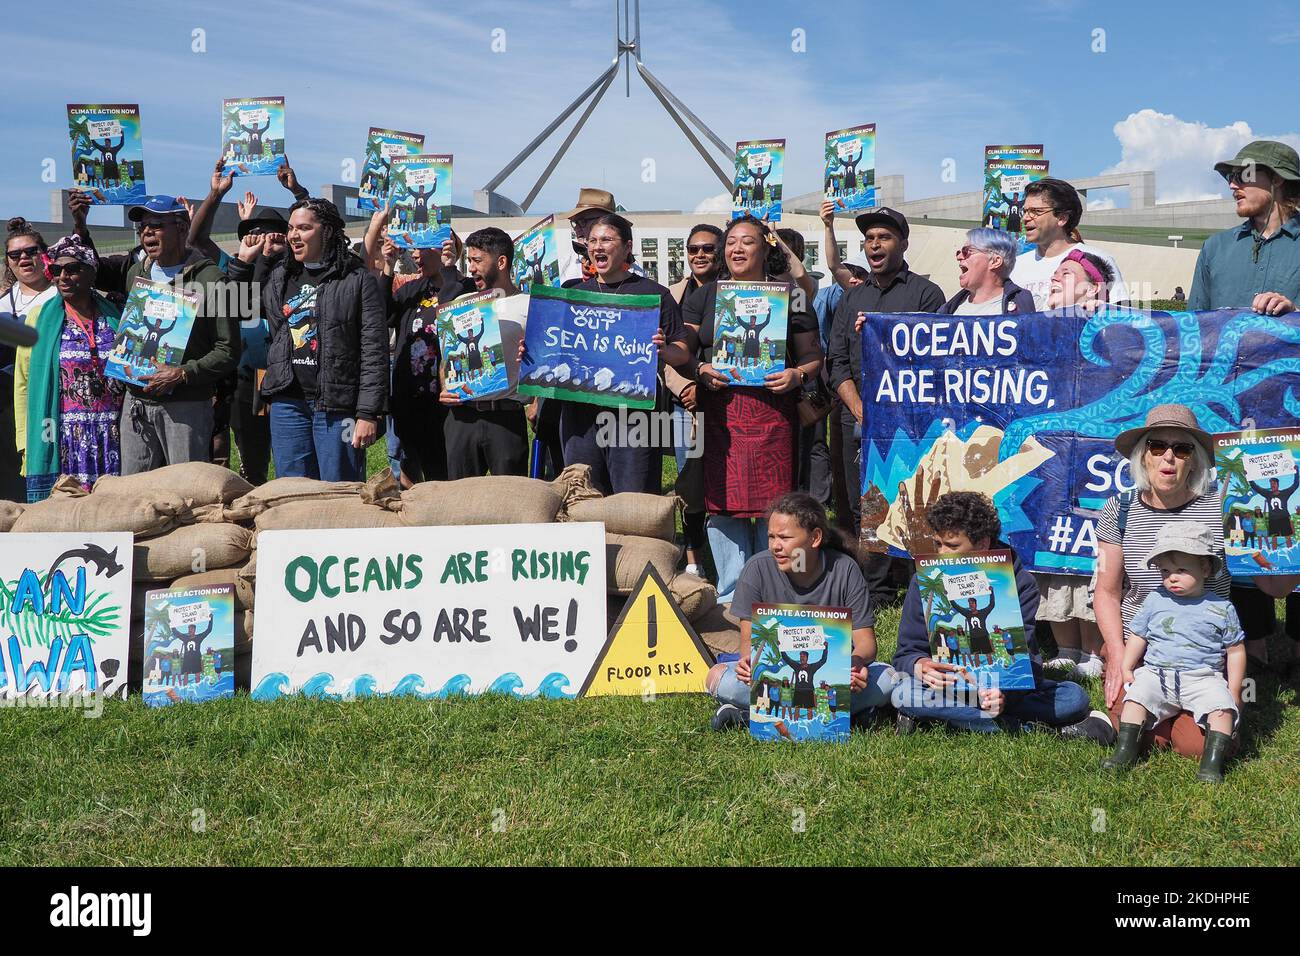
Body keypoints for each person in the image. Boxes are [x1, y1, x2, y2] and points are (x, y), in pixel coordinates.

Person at [1093, 404, 1300, 757]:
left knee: (1198, 747)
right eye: (1157, 447)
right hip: (1143, 651)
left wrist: (1291, 545)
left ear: (1195, 459)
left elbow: (1276, 589)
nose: (1168, 457)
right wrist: (1115, 653)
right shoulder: (1120, 508)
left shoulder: (1223, 508)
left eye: (1182, 448)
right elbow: (1107, 591)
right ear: (1143, 456)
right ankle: (1149, 716)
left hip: (1204, 659)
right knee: (1144, 737)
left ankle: (1174, 718)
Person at [1188, 140, 1300, 686]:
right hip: (1231, 416)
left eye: (1245, 176)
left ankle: (1297, 647)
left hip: (1295, 413)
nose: (1233, 184)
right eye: (1228, 176)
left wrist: (1295, 310)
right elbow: (1194, 330)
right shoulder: (1214, 249)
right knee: (1241, 524)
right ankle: (1251, 651)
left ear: (1277, 183)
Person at [684, 216, 823, 602]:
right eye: (730, 242)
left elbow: (814, 356)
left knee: (773, 504)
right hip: (721, 413)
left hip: (773, 415)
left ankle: (775, 591)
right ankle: (731, 593)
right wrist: (700, 369)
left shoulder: (790, 295)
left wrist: (797, 375)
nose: (736, 249)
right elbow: (686, 350)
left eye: (747, 242)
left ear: (766, 248)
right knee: (722, 501)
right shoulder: (705, 295)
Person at [890, 491, 1105, 738]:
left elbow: (1027, 661)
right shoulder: (924, 581)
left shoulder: (1019, 582)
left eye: (952, 546)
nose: (941, 554)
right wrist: (920, 666)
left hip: (1000, 688)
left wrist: (1004, 693)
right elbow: (906, 651)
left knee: (1073, 697)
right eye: (937, 544)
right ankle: (1034, 730)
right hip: (945, 686)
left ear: (983, 543)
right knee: (902, 693)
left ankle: (950, 718)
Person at [828, 207, 945, 604]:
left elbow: (937, 357)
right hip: (857, 418)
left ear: (903, 244)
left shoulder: (927, 294)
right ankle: (875, 589)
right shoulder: (852, 298)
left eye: (884, 237)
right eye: (869, 238)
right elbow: (837, 362)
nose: (874, 244)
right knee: (868, 504)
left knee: (915, 499)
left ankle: (918, 588)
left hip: (911, 421)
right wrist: (859, 407)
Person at [705, 493, 896, 729]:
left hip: (834, 676)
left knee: (890, 680)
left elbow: (866, 643)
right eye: (771, 537)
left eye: (785, 538)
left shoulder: (845, 570)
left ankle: (749, 714)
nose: (776, 546)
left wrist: (854, 665)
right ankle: (852, 715)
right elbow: (748, 642)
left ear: (815, 538)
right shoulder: (756, 569)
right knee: (718, 678)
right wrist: (748, 664)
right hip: (776, 679)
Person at [232, 197, 386, 481]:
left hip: (338, 405)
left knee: (340, 490)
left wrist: (367, 412)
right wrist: (246, 261)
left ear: (327, 231)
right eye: (291, 228)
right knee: (292, 493)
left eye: (303, 228)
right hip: (287, 403)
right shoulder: (280, 276)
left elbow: (374, 348)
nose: (293, 235)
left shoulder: (356, 278)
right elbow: (236, 309)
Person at [89, 196, 241, 473]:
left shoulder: (213, 280)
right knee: (133, 494)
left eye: (156, 224)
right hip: (135, 403)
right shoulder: (136, 272)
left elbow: (228, 350)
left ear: (182, 228)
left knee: (186, 493)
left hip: (186, 407)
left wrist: (182, 373)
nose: (147, 231)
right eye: (142, 226)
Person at [553, 213, 690, 494]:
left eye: (606, 239)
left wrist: (664, 350)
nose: (597, 247)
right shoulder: (572, 295)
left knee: (633, 499)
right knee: (582, 497)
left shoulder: (654, 294)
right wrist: (532, 353)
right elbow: (556, 351)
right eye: (592, 240)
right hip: (580, 420)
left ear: (627, 247)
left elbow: (683, 352)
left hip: (632, 419)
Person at [1100, 524, 1243, 783]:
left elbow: (1235, 650)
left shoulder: (1221, 607)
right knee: (1134, 702)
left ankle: (1211, 765)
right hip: (1157, 673)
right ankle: (1124, 752)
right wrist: (1126, 667)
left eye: (1181, 570)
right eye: (1165, 571)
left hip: (1203, 677)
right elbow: (1138, 635)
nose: (1172, 578)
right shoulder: (1155, 600)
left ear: (1206, 569)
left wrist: (1234, 689)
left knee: (1222, 711)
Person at [13, 235, 123, 500]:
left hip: (115, 433)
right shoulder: (38, 319)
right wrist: (25, 441)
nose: (62, 276)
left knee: (116, 510)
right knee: (68, 514)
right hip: (63, 437)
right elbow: (23, 383)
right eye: (55, 270)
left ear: (91, 272)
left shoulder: (117, 316)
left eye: (72, 269)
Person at [381, 224, 475, 484]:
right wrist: (388, 268)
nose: (414, 255)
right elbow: (382, 314)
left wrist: (448, 269)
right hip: (410, 399)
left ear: (443, 248)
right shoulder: (413, 290)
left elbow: (451, 314)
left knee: (442, 473)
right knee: (410, 465)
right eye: (412, 250)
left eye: (421, 248)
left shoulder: (466, 288)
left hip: (446, 403)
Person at [438, 227, 530, 478]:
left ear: (501, 262)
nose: (471, 268)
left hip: (506, 419)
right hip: (461, 420)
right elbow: (446, 359)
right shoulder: (460, 305)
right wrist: (445, 386)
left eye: (477, 260)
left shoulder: (529, 305)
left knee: (512, 499)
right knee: (460, 501)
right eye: (469, 260)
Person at [665, 224, 723, 576]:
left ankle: (727, 559)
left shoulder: (735, 293)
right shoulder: (672, 294)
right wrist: (683, 388)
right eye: (693, 249)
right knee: (689, 482)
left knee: (722, 480)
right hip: (683, 403)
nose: (699, 255)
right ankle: (693, 559)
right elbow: (663, 353)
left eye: (707, 249)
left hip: (722, 403)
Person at [1, 218, 57, 500]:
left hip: (50, 399)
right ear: (8, 262)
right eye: (15, 254)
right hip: (7, 406)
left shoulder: (61, 296)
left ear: (44, 254)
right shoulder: (1, 303)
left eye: (31, 251)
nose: (23, 258)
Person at [1008, 178, 1127, 309]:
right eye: (1025, 211)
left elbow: (1120, 317)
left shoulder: (1097, 259)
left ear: (1062, 218)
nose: (1025, 218)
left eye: (1036, 211)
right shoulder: (1014, 266)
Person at [937, 228, 1034, 315]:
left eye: (966, 251)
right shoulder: (947, 311)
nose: (959, 257)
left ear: (995, 261)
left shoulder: (1028, 304)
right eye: (959, 252)